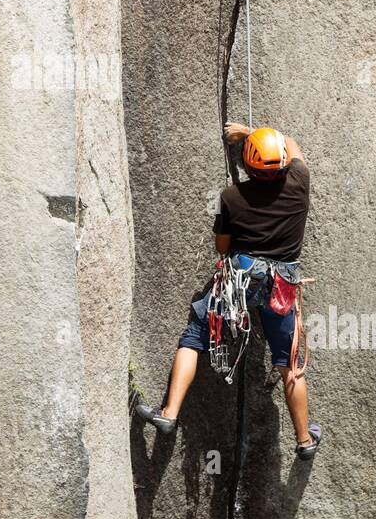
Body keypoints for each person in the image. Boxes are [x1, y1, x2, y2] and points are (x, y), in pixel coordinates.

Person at [136, 122, 321, 460]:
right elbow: (292, 144)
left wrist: (244, 140)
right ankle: (305, 440)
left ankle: (169, 413)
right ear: (282, 162)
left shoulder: (231, 197)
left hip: (242, 279)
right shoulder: (299, 182)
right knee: (288, 361)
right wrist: (253, 132)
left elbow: (222, 244)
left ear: (247, 165)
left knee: (195, 336)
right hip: (283, 283)